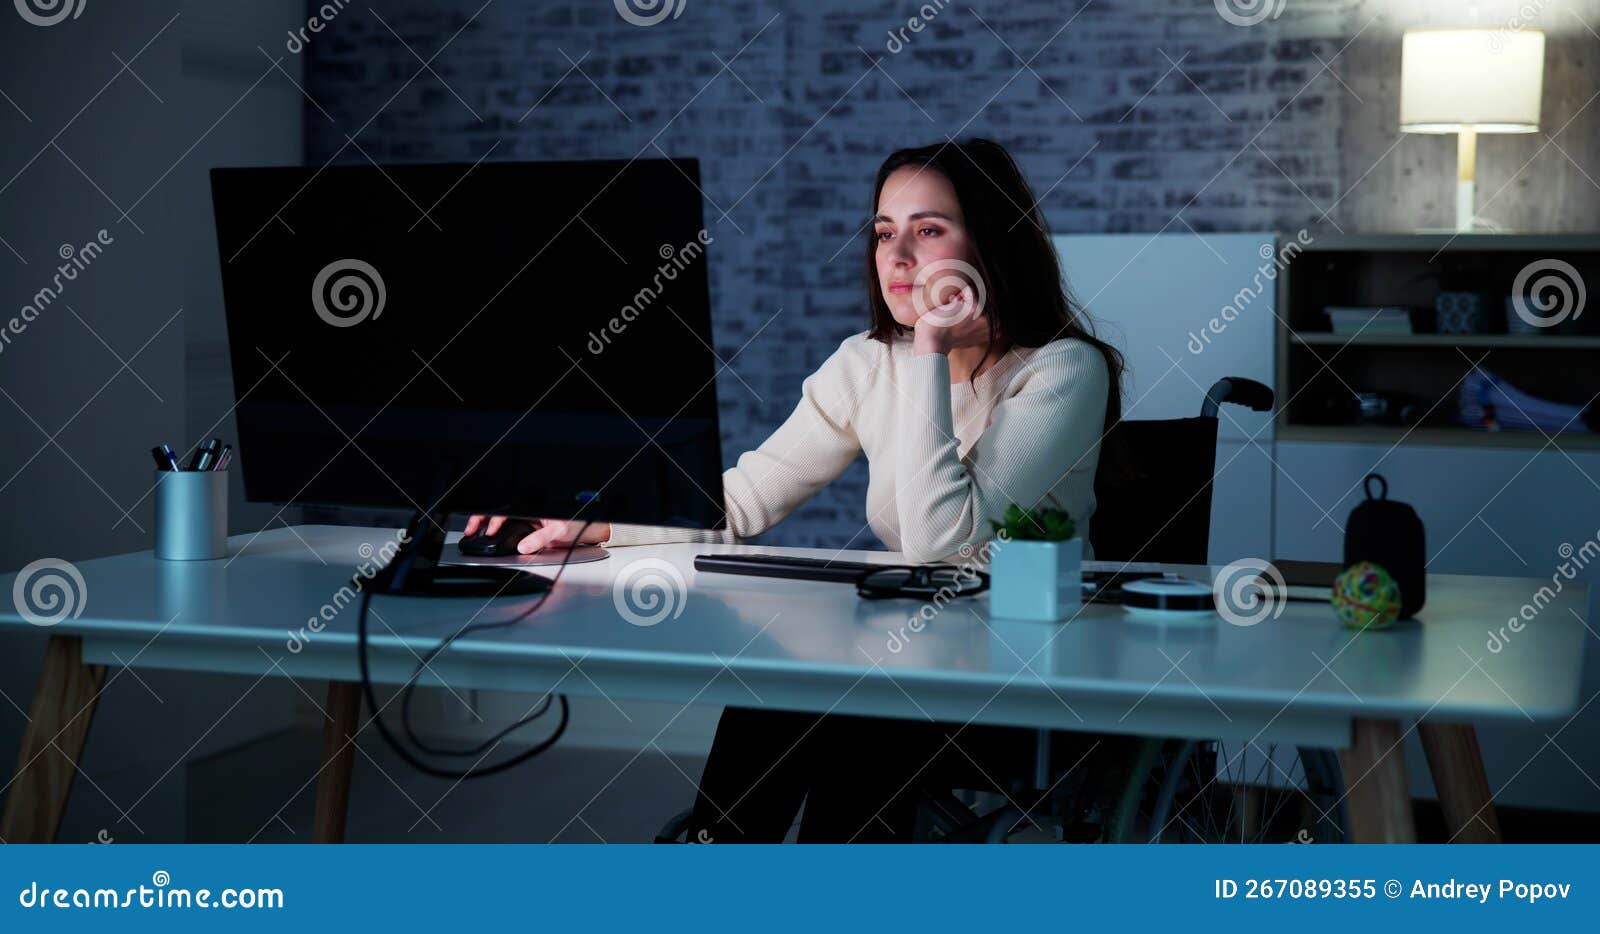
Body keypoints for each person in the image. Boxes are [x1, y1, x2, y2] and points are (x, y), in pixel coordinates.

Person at [467, 137, 1126, 841]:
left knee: (841, 720)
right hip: (906, 658)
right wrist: (596, 525)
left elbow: (943, 542)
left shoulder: (1062, 371)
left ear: (991, 240)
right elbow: (743, 503)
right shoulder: (867, 363)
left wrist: (931, 351)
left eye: (928, 230)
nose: (897, 257)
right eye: (883, 233)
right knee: (775, 681)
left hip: (1011, 682)